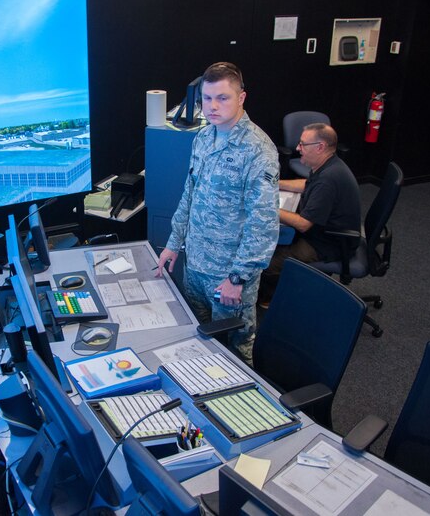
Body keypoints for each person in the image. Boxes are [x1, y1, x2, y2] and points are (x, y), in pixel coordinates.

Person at [155, 62, 280, 365]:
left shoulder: (257, 150)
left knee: (236, 350)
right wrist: (174, 243)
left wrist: (237, 278)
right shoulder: (204, 137)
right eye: (206, 99)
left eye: (222, 98)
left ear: (241, 98)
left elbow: (262, 225)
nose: (212, 106)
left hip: (227, 275)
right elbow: (190, 193)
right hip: (195, 266)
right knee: (198, 345)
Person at [258, 123, 361, 305]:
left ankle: (269, 299)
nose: (298, 148)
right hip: (328, 234)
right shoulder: (329, 165)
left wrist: (266, 206)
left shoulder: (328, 180)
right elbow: (307, 185)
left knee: (266, 262)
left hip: (327, 244)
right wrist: (275, 183)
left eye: (303, 144)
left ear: (320, 147)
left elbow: (304, 224)